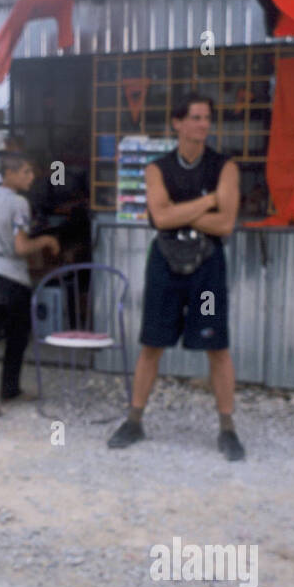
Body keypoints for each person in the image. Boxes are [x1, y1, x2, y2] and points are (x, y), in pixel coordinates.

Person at [107, 92, 245, 460]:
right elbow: (160, 218)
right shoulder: (157, 168)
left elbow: (226, 223)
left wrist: (176, 212)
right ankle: (134, 421)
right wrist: (205, 202)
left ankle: (228, 429)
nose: (203, 124)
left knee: (216, 346)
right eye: (196, 117)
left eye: (207, 117)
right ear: (178, 123)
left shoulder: (224, 167)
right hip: (166, 263)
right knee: (152, 343)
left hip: (208, 267)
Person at [0, 149, 60, 421]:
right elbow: (20, 247)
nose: (31, 177)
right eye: (26, 172)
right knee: (18, 334)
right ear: (10, 174)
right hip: (11, 278)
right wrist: (46, 241)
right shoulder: (20, 204)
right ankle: (9, 388)